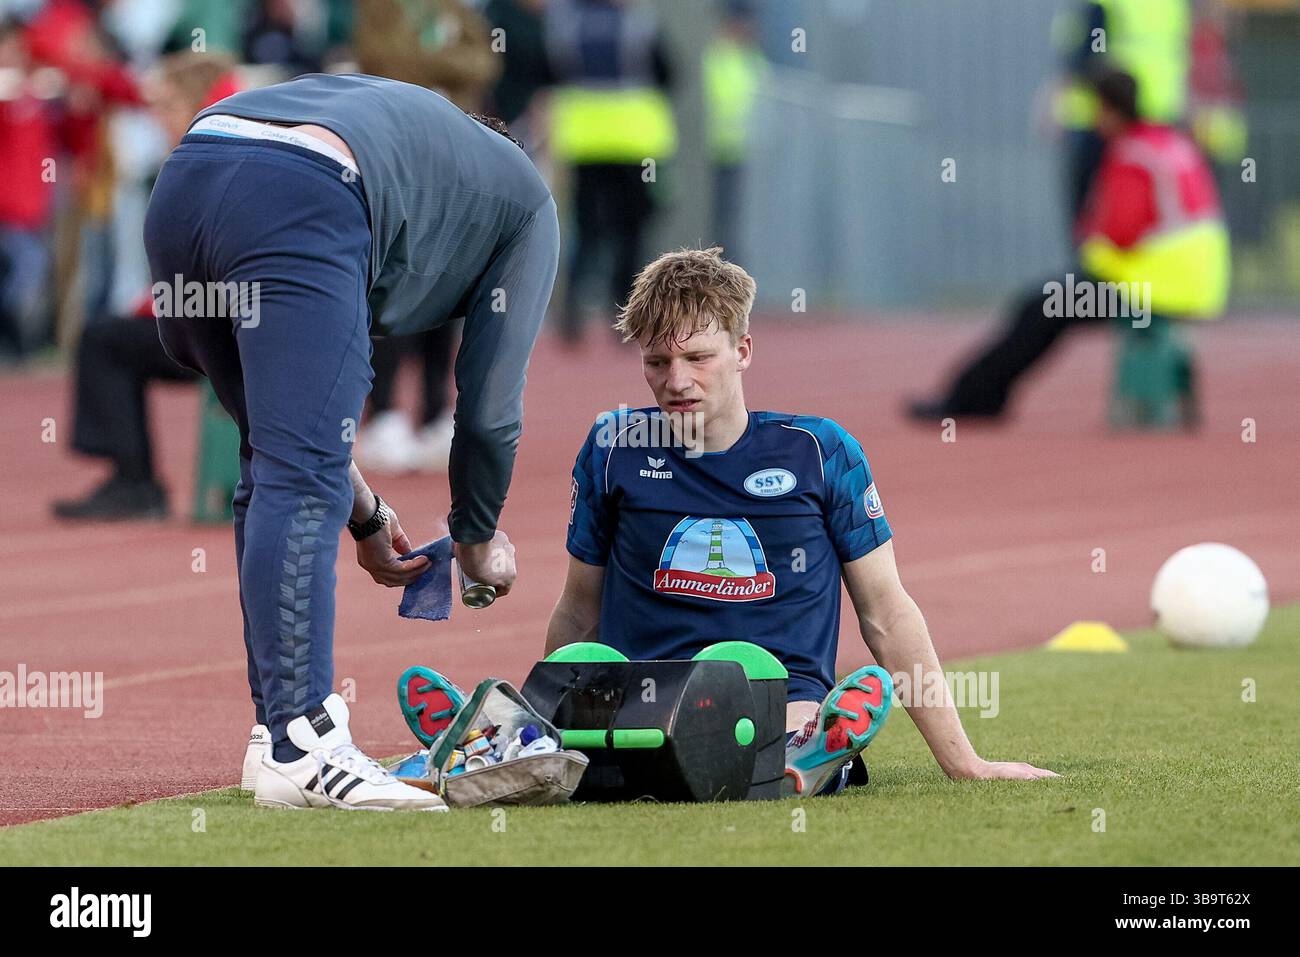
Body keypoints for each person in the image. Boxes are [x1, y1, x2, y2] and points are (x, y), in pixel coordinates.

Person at [143, 73, 560, 811]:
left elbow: (290, 434)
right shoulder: (526, 201)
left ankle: (275, 735)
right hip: (300, 194)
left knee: (274, 462)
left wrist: (365, 516)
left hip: (184, 181)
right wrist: (476, 539)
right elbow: (491, 409)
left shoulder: (410, 140)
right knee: (296, 476)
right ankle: (305, 742)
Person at [538, 247, 1057, 795]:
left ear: (742, 350)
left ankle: (805, 752)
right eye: (657, 362)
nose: (677, 381)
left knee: (744, 736)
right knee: (594, 721)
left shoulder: (819, 452)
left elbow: (886, 612)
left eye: (698, 358)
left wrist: (964, 762)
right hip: (644, 701)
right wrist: (544, 722)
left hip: (774, 698)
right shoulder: (614, 447)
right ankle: (501, 743)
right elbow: (577, 611)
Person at [909, 70, 1229, 422]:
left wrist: (1091, 240)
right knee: (1049, 305)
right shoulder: (1170, 143)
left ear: (1108, 110)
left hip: (1148, 290)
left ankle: (968, 401)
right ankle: (980, 397)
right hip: (1193, 286)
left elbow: (1120, 231)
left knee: (1040, 308)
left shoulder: (1132, 154)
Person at [53, 52, 240, 521]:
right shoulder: (237, 150)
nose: (154, 114)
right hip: (245, 319)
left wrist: (156, 307)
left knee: (103, 340)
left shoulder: (199, 162)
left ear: (195, 103)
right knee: (116, 334)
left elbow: (200, 269)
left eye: (164, 103)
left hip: (224, 328)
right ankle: (134, 480)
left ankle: (135, 483)